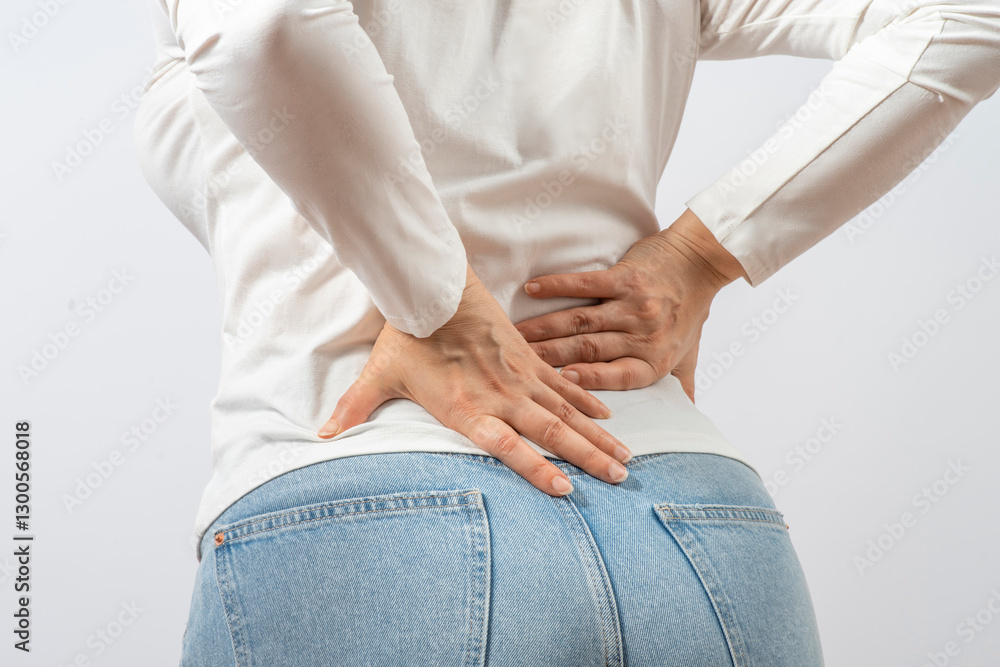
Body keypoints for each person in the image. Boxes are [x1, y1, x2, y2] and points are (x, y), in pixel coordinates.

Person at [133, 0, 1000, 664]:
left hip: (364, 509)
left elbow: (266, 25)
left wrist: (437, 303)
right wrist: (703, 255)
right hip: (696, 524)